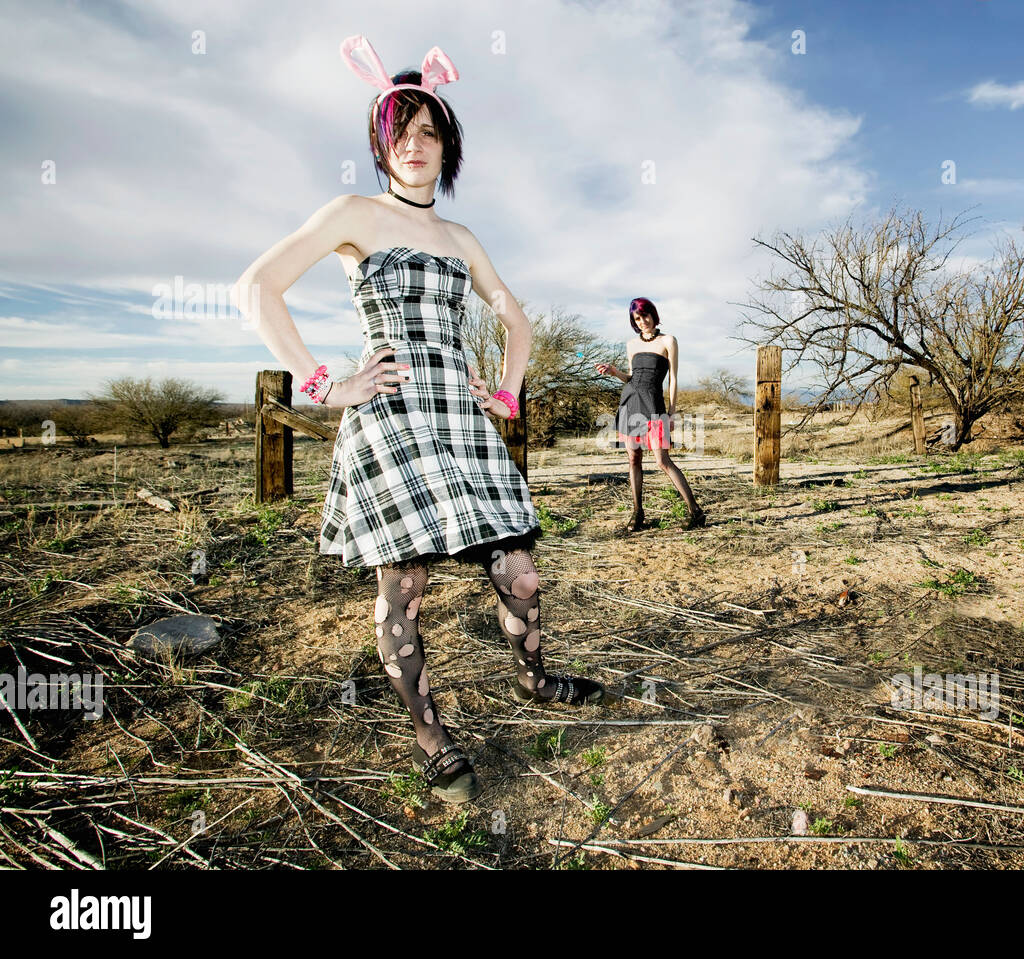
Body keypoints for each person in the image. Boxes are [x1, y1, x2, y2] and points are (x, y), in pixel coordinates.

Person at [234, 36, 603, 805]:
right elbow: (258, 287)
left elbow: (518, 320)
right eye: (400, 130)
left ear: (448, 146)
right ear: (380, 142)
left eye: (429, 130)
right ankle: (431, 736)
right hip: (391, 419)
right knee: (404, 590)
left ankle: (535, 677)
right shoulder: (354, 215)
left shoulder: (462, 238)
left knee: (521, 570)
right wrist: (324, 382)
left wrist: (502, 392)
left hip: (462, 426)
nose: (414, 143)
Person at [595, 297, 706, 533]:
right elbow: (631, 377)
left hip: (653, 404)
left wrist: (672, 412)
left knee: (662, 461)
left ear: (653, 315)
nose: (643, 321)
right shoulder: (631, 344)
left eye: (645, 315)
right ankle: (638, 513)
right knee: (633, 458)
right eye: (637, 318)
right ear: (633, 321)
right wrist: (615, 372)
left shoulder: (668, 340)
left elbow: (673, 379)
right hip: (630, 402)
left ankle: (695, 512)